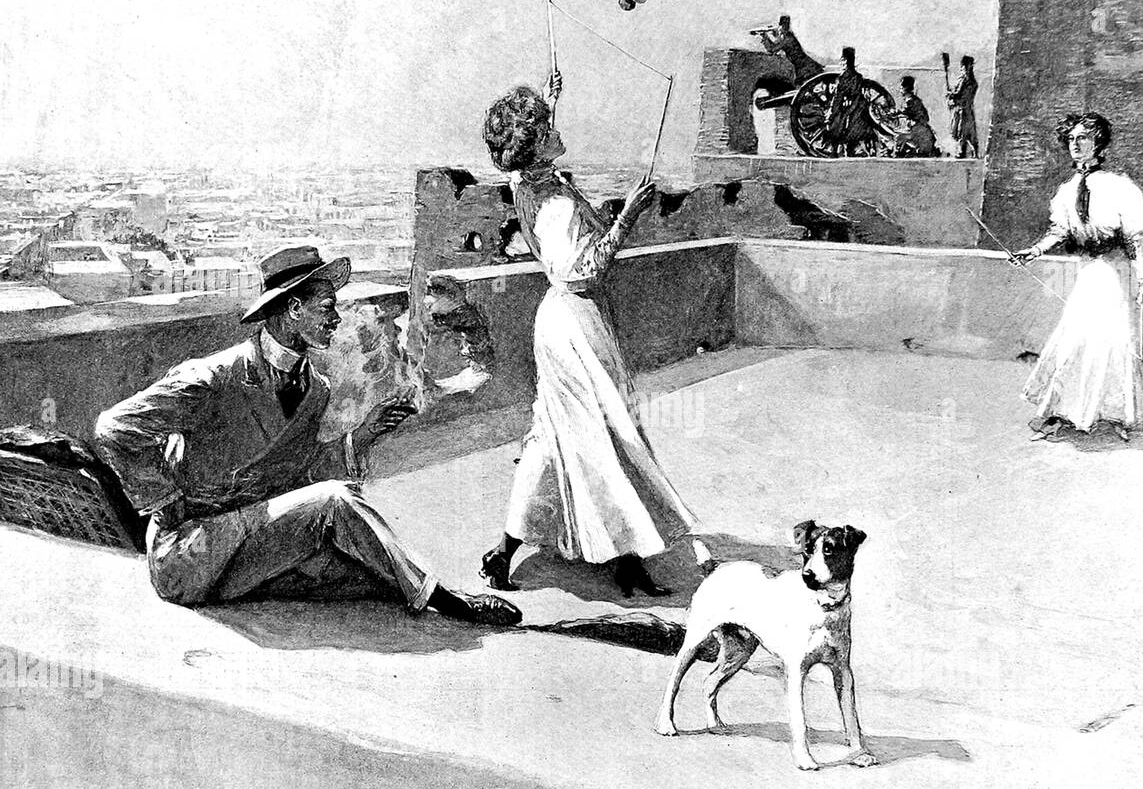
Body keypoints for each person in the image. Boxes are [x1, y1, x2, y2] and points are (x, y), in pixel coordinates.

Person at [94, 243, 521, 625]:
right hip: (191, 554)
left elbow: (301, 472)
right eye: (327, 306)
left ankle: (420, 589)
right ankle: (450, 602)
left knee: (368, 572)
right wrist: (166, 501)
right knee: (337, 502)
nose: (336, 318)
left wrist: (363, 435)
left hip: (249, 550)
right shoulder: (211, 377)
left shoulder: (316, 387)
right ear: (294, 309)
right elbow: (115, 427)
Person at [478, 75, 696, 597]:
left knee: (551, 439)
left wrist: (550, 97)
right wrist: (628, 215)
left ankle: (504, 551)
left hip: (562, 322)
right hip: (574, 323)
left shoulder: (529, 182)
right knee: (607, 436)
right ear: (534, 144)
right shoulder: (554, 204)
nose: (557, 128)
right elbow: (584, 270)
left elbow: (530, 148)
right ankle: (628, 554)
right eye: (548, 124)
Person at [1011, 112, 1143, 443]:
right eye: (1071, 139)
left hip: (1113, 274)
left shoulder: (1119, 187)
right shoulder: (1067, 190)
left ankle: (1116, 414)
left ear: (1098, 143)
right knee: (1073, 340)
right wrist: (1031, 252)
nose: (1075, 144)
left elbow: (1135, 240)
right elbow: (1059, 231)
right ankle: (1061, 414)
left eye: (1082, 138)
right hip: (1087, 274)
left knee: (1111, 341)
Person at [824, 47, 876, 157]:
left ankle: (834, 152)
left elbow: (838, 97)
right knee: (854, 135)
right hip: (857, 109)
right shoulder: (858, 77)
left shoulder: (843, 77)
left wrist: (831, 113)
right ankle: (851, 152)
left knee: (835, 127)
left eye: (842, 59)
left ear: (844, 60)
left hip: (846, 108)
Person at [892, 75, 938, 157]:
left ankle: (897, 155)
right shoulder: (913, 99)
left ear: (905, 88)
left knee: (899, 138)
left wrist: (892, 113)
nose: (900, 90)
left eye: (901, 88)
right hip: (920, 128)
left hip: (919, 130)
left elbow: (903, 111)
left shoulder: (910, 101)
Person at [946, 55, 979, 158]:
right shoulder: (970, 80)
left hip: (963, 110)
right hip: (965, 109)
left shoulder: (967, 80)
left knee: (962, 131)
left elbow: (959, 94)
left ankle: (963, 151)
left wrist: (951, 95)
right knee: (966, 132)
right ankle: (969, 151)